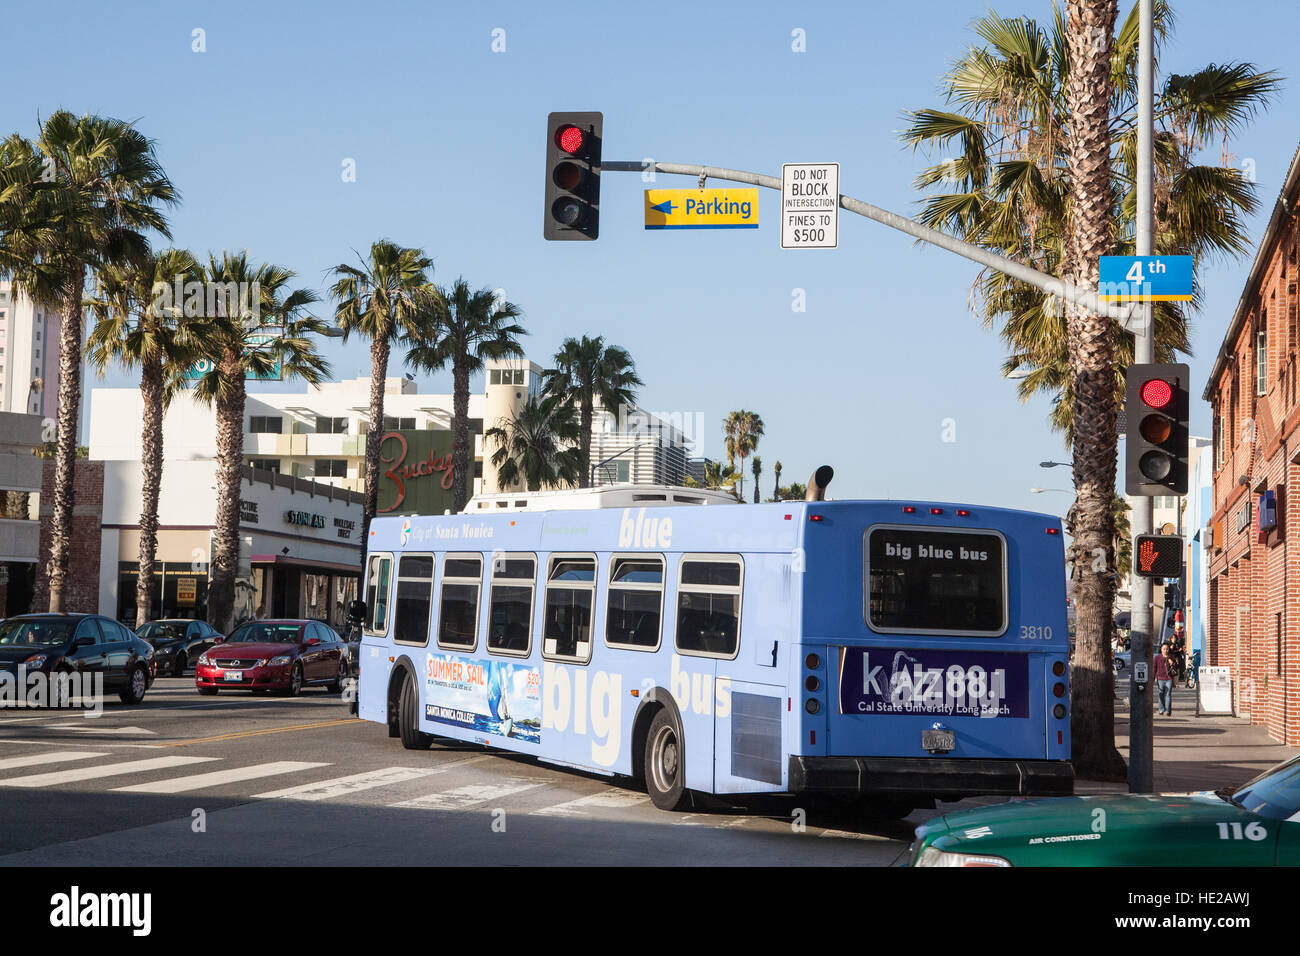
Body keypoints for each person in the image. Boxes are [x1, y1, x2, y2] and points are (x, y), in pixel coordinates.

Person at [1154, 642, 1175, 716]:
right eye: (1164, 649)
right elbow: (1154, 668)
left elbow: (1176, 667)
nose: (1165, 650)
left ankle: (1168, 711)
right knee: (1160, 694)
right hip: (1160, 678)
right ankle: (1161, 709)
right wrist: (1152, 678)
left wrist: (1172, 663)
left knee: (1168, 694)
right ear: (1161, 649)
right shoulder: (1157, 657)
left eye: (1167, 649)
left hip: (1169, 678)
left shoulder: (1171, 657)